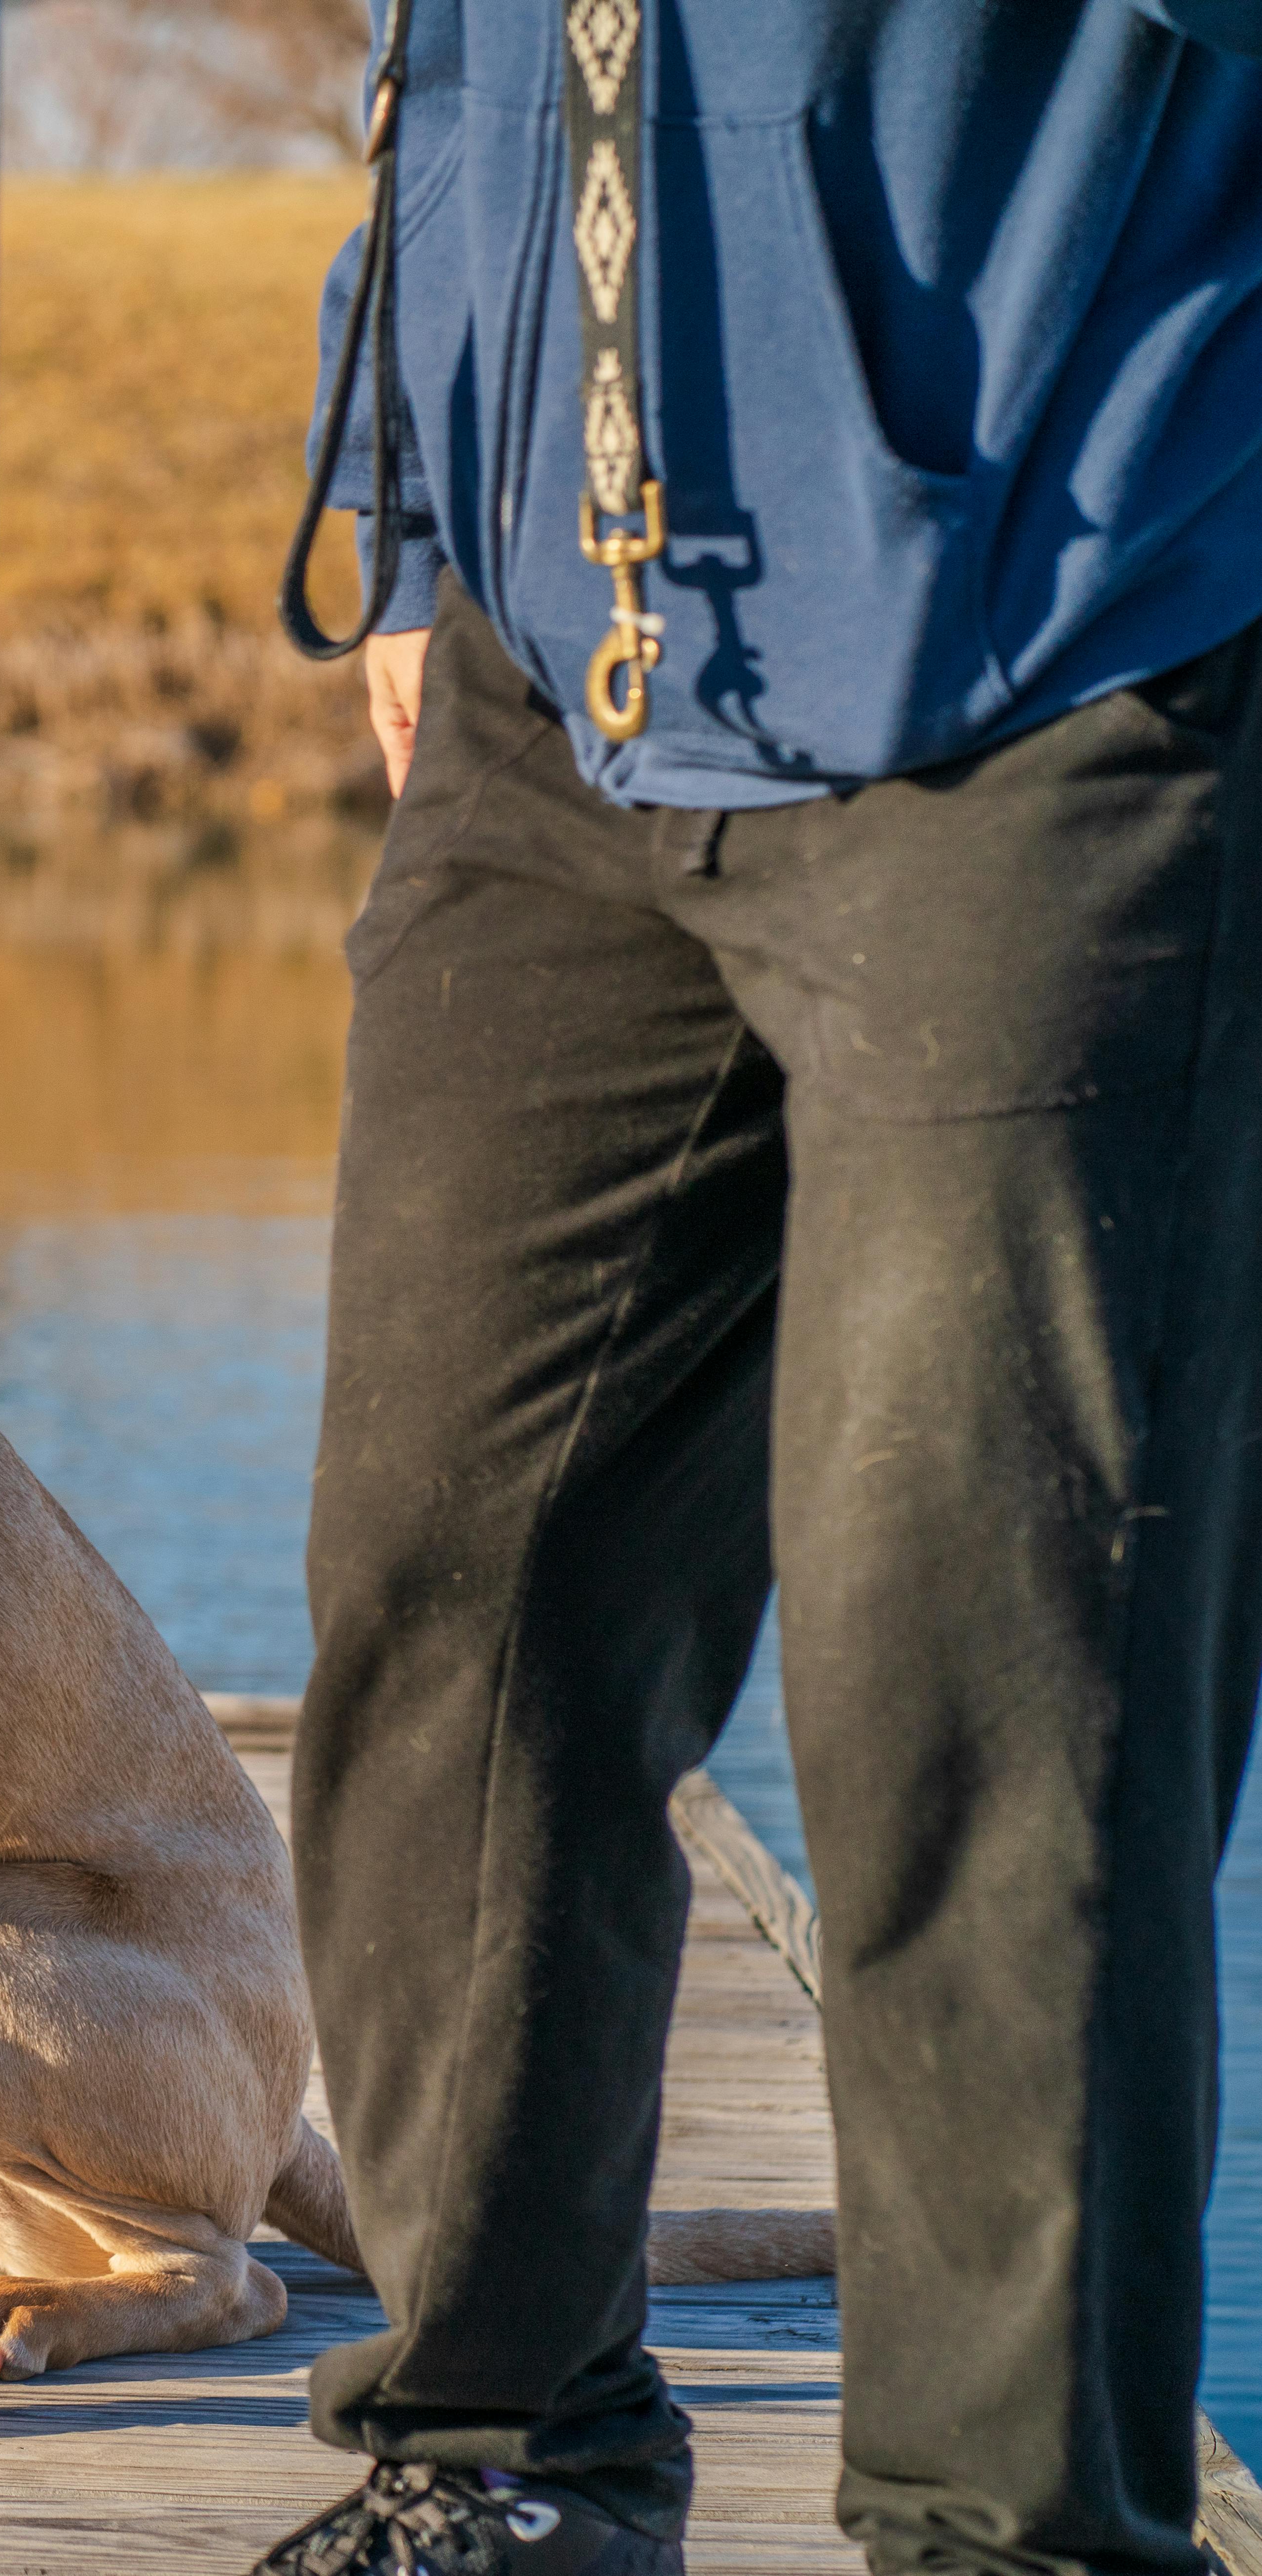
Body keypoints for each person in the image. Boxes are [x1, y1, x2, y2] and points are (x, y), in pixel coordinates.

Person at [255, 2, 1262, 2572]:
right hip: (549, 666)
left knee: (985, 1669)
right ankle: (492, 2464)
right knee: (452, 1570)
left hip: (1059, 636)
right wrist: (397, 466)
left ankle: (1002, 2537)